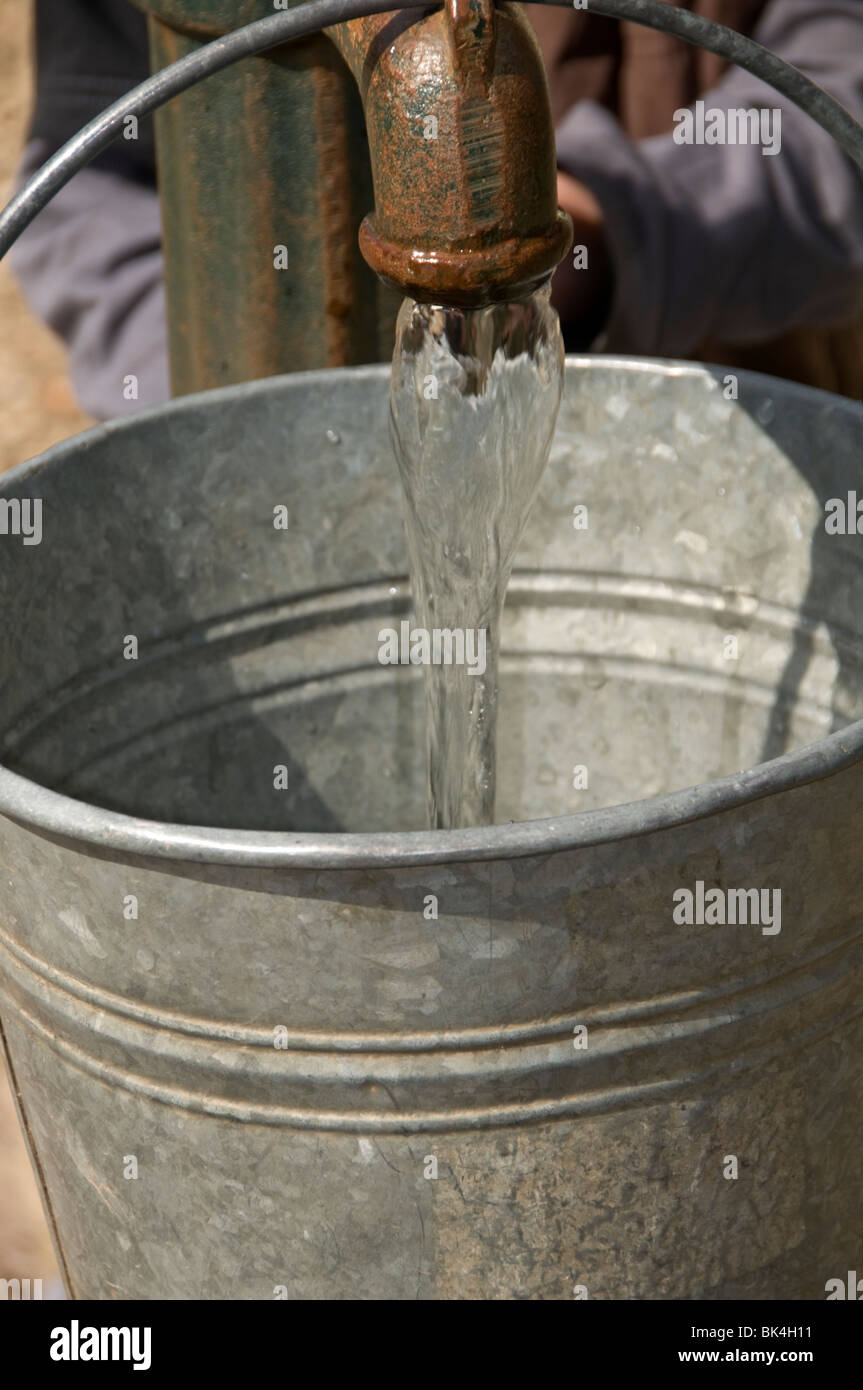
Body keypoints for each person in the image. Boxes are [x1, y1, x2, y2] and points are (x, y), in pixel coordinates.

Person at [10, 0, 863, 419]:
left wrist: (612, 233)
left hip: (728, 425)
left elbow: (839, 90)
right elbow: (81, 181)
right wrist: (239, 417)